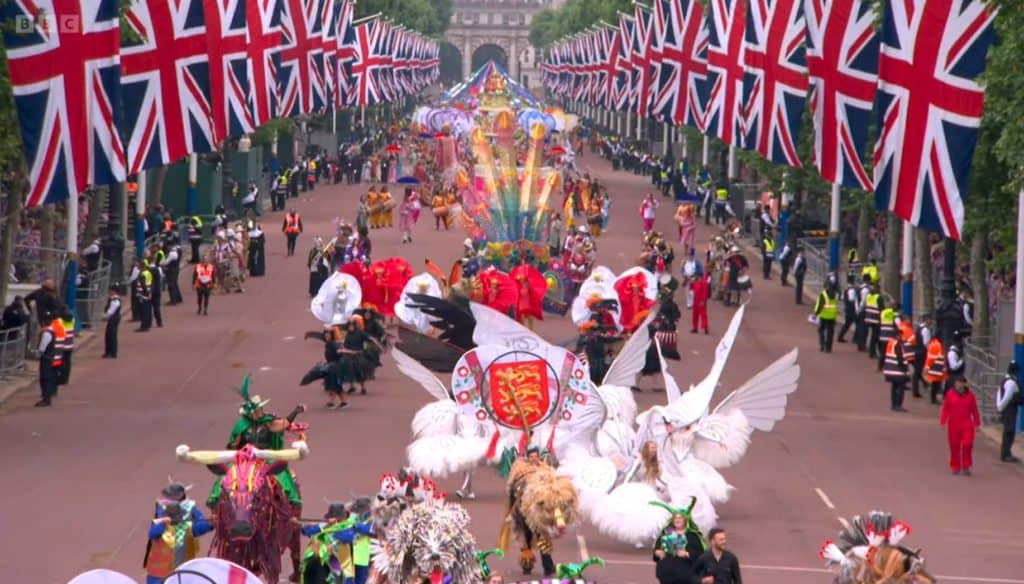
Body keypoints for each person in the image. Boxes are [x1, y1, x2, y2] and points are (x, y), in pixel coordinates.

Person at [144, 483, 212, 584]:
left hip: (182, 567)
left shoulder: (190, 512)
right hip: (159, 572)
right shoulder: (162, 511)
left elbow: (200, 524)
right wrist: (164, 522)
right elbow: (152, 533)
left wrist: (212, 523)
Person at [295, 502, 358, 584]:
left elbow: (347, 536)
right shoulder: (325, 526)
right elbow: (306, 531)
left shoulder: (348, 527)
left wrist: (328, 531)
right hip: (321, 566)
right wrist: (325, 524)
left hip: (342, 571)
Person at [940, 377, 980, 475]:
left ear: (964, 384)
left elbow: (974, 410)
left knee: (967, 444)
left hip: (966, 423)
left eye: (960, 383)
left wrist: (976, 423)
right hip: (953, 424)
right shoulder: (950, 394)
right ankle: (955, 466)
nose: (958, 385)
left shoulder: (970, 396)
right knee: (954, 446)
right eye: (956, 383)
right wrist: (943, 421)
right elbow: (946, 408)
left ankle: (966, 465)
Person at [653, 510, 706, 584]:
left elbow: (701, 554)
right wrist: (657, 552)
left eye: (680, 518)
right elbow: (656, 549)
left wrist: (687, 554)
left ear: (685, 519)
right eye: (675, 518)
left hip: (687, 576)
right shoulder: (665, 533)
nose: (677, 520)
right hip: (666, 575)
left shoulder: (692, 536)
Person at [35, 311, 64, 407]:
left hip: (47, 358)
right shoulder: (54, 330)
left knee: (45, 378)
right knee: (50, 377)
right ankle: (49, 395)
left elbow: (42, 347)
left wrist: (38, 354)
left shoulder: (47, 333)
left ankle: (46, 399)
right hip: (53, 357)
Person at [997, 361, 1022, 463]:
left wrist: (999, 407)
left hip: (1007, 409)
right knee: (1009, 431)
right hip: (1009, 409)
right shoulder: (1011, 382)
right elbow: (1007, 397)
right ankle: (1006, 454)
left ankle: (1006, 453)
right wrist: (1001, 407)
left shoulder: (1005, 380)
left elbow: (999, 394)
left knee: (1008, 431)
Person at [882, 335, 909, 412]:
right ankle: (898, 405)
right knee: (900, 388)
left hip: (890, 370)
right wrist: (905, 371)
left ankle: (893, 404)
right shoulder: (897, 344)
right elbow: (900, 359)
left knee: (894, 388)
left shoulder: (891, 342)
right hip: (898, 371)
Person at [920, 336, 947, 405]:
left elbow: (930, 358)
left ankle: (933, 398)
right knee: (936, 384)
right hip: (936, 368)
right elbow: (932, 358)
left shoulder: (933, 344)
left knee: (935, 384)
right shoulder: (937, 345)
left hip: (935, 367)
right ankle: (933, 399)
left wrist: (927, 367)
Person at [814, 281, 838, 353]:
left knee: (821, 331)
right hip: (832, 316)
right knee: (830, 332)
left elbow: (819, 305)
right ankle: (828, 348)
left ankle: (822, 345)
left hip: (823, 315)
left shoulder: (823, 294)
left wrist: (816, 313)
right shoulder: (836, 294)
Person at [160, 241, 184, 305]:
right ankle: (178, 298)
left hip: (172, 270)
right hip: (175, 269)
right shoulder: (177, 250)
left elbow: (166, 262)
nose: (167, 248)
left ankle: (173, 300)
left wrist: (160, 264)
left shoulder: (172, 253)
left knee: (171, 285)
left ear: (169, 246)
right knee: (175, 284)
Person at [57, 305, 75, 386]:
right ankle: (66, 378)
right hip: (70, 344)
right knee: (67, 362)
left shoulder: (60, 321)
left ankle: (62, 379)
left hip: (62, 344)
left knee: (62, 363)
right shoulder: (72, 319)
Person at [101, 285, 122, 359]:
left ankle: (112, 353)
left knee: (112, 336)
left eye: (110, 291)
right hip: (112, 319)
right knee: (108, 335)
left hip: (114, 319)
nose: (109, 292)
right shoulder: (112, 299)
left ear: (114, 291)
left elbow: (111, 311)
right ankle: (108, 352)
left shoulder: (115, 300)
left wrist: (105, 317)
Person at [133, 261, 153, 332]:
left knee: (143, 311)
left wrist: (144, 294)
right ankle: (148, 324)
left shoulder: (142, 275)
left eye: (138, 266)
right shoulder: (148, 273)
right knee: (148, 310)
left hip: (143, 295)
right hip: (148, 293)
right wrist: (149, 293)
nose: (137, 267)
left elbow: (143, 285)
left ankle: (144, 326)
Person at [690, 269, 709, 335]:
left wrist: (703, 301)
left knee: (703, 315)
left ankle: (705, 327)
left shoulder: (704, 282)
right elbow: (692, 288)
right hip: (695, 300)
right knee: (695, 314)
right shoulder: (696, 281)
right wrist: (691, 282)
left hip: (701, 300)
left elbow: (704, 293)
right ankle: (695, 328)